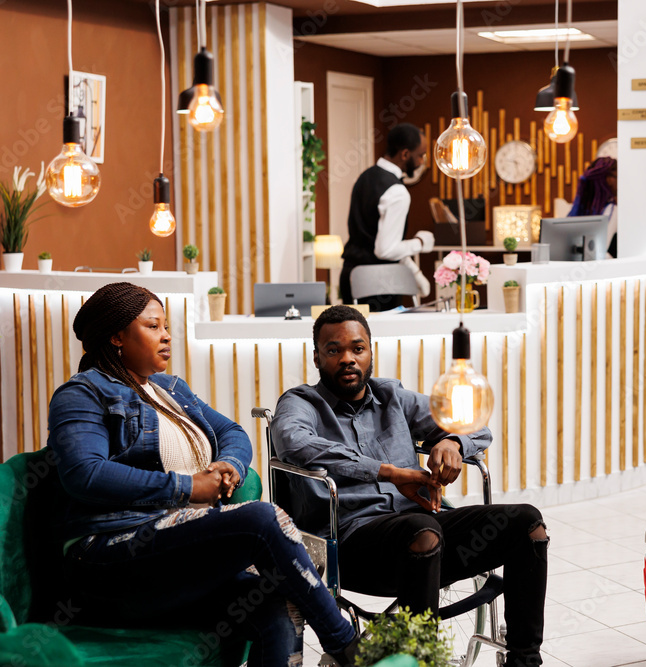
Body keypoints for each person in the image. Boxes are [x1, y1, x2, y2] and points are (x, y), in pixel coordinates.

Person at [47, 282, 359, 667]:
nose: (166, 335)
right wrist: (187, 486)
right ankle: (349, 648)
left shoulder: (170, 389)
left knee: (273, 605)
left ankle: (345, 648)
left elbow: (233, 432)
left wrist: (229, 464)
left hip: (172, 553)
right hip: (109, 560)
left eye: (165, 325)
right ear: (116, 336)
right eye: (152, 326)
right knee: (262, 518)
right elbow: (85, 474)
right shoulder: (82, 394)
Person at [272, 305, 549, 667]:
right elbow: (295, 443)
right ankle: (416, 662)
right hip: (352, 545)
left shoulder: (392, 396)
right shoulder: (301, 402)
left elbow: (476, 426)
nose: (347, 359)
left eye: (358, 348)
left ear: (371, 352)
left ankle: (525, 662)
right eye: (333, 350)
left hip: (425, 538)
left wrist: (452, 443)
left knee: (528, 524)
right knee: (422, 528)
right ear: (317, 357)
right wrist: (387, 473)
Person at [339, 123, 435, 311]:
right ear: (405, 154)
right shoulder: (397, 191)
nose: (422, 161)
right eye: (421, 155)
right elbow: (385, 250)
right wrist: (420, 244)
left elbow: (375, 237)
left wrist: (415, 271)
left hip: (351, 276)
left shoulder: (364, 177)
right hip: (378, 283)